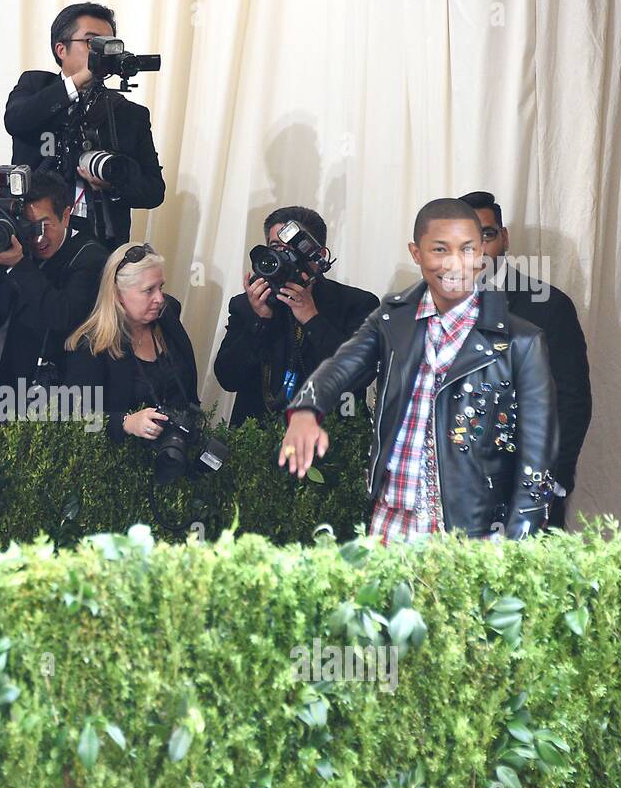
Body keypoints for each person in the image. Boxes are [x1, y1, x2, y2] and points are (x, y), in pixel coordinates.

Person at [280, 198, 559, 543]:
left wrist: (515, 545)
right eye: (440, 249)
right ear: (417, 253)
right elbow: (341, 367)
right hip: (391, 520)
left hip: (472, 535)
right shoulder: (391, 321)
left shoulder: (522, 342)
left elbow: (538, 459)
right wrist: (307, 410)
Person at [459, 190, 592, 529]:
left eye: (485, 235)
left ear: (503, 238)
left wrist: (552, 485)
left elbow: (572, 402)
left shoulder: (549, 306)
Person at [4, 2, 165, 248]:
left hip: (100, 238)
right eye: (92, 43)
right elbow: (16, 121)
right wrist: (79, 80)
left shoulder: (130, 114)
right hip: (34, 230)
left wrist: (114, 184)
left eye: (109, 45)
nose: (103, 53)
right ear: (61, 49)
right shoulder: (35, 85)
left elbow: (154, 191)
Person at [213, 206, 379, 425]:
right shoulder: (245, 305)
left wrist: (312, 318)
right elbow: (228, 378)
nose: (284, 257)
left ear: (318, 255)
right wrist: (259, 320)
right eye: (276, 248)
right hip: (254, 444)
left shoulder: (355, 303)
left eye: (293, 249)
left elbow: (361, 375)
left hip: (330, 443)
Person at [0, 169, 108, 390]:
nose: (36, 237)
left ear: (66, 215)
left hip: (44, 388)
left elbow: (64, 316)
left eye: (44, 225)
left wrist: (18, 264)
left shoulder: (91, 258)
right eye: (27, 225)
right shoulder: (11, 239)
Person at [61, 242, 200, 444]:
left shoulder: (167, 319)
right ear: (117, 294)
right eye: (148, 290)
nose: (160, 299)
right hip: (122, 463)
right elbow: (75, 420)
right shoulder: (91, 346)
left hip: (177, 451)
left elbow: (189, 392)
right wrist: (124, 423)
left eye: (160, 287)